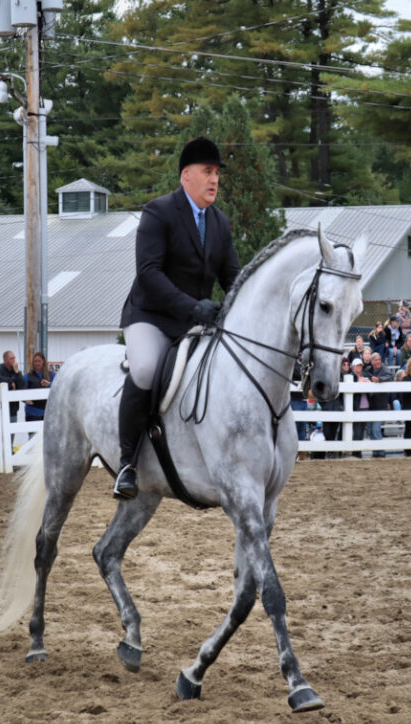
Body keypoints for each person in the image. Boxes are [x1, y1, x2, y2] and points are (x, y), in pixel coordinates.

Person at [114, 137, 240, 498]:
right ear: (187, 176)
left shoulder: (220, 223)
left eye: (217, 173)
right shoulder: (159, 211)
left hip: (193, 321)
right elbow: (149, 274)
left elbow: (233, 278)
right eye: (207, 172)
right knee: (145, 369)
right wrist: (192, 307)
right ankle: (127, 463)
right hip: (150, 315)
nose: (214, 180)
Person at [363, 352, 393, 458]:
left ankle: (381, 452)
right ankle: (375, 451)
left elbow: (390, 376)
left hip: (380, 404)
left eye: (379, 359)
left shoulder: (385, 370)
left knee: (376, 428)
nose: (378, 361)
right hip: (370, 404)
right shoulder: (367, 371)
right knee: (369, 429)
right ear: (371, 362)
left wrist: (379, 380)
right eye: (375, 359)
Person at [0, 350, 26, 422]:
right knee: (2, 431)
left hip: (13, 408)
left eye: (14, 358)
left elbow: (23, 386)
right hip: (1, 409)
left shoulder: (16, 371)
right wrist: (11, 382)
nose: (14, 361)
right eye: (11, 359)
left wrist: (18, 372)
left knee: (12, 431)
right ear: (5, 360)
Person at [24, 351, 55, 422]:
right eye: (35, 361)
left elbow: (58, 384)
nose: (37, 363)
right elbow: (20, 389)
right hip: (32, 412)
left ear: (43, 361)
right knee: (33, 433)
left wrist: (49, 384)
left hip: (48, 412)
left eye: (39, 361)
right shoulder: (28, 376)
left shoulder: (51, 374)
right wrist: (24, 400)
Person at [350, 358, 369, 457]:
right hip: (356, 406)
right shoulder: (351, 377)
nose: (359, 367)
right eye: (357, 366)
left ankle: (358, 451)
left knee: (361, 430)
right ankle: (356, 452)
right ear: (353, 367)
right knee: (357, 430)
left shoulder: (365, 375)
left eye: (360, 365)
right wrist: (359, 383)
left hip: (365, 405)